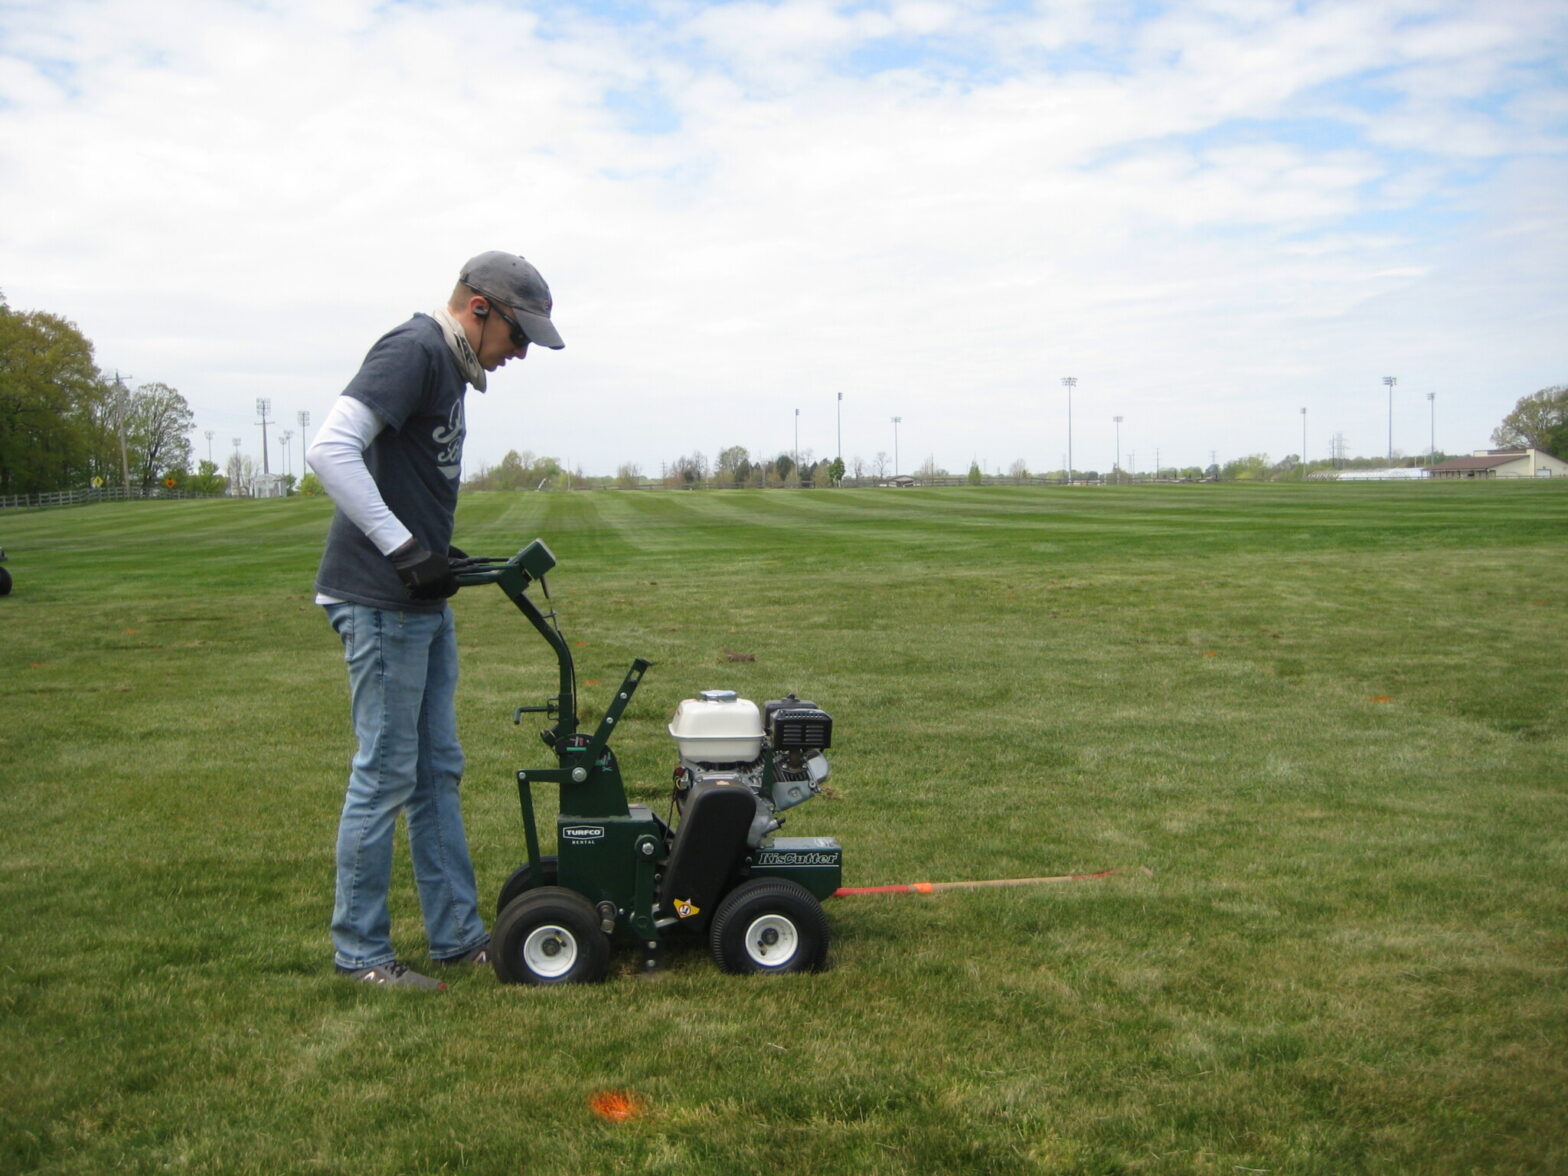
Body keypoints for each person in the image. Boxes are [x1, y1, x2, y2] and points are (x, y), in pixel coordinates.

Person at [308, 251, 564, 988]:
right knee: (386, 776)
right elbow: (330, 451)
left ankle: (456, 938)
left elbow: (401, 477)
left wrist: (432, 549)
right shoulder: (414, 349)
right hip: (379, 601)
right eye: (519, 335)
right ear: (480, 307)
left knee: (435, 773)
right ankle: (361, 953)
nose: (520, 354)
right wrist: (400, 547)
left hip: (416, 601)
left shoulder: (449, 368)